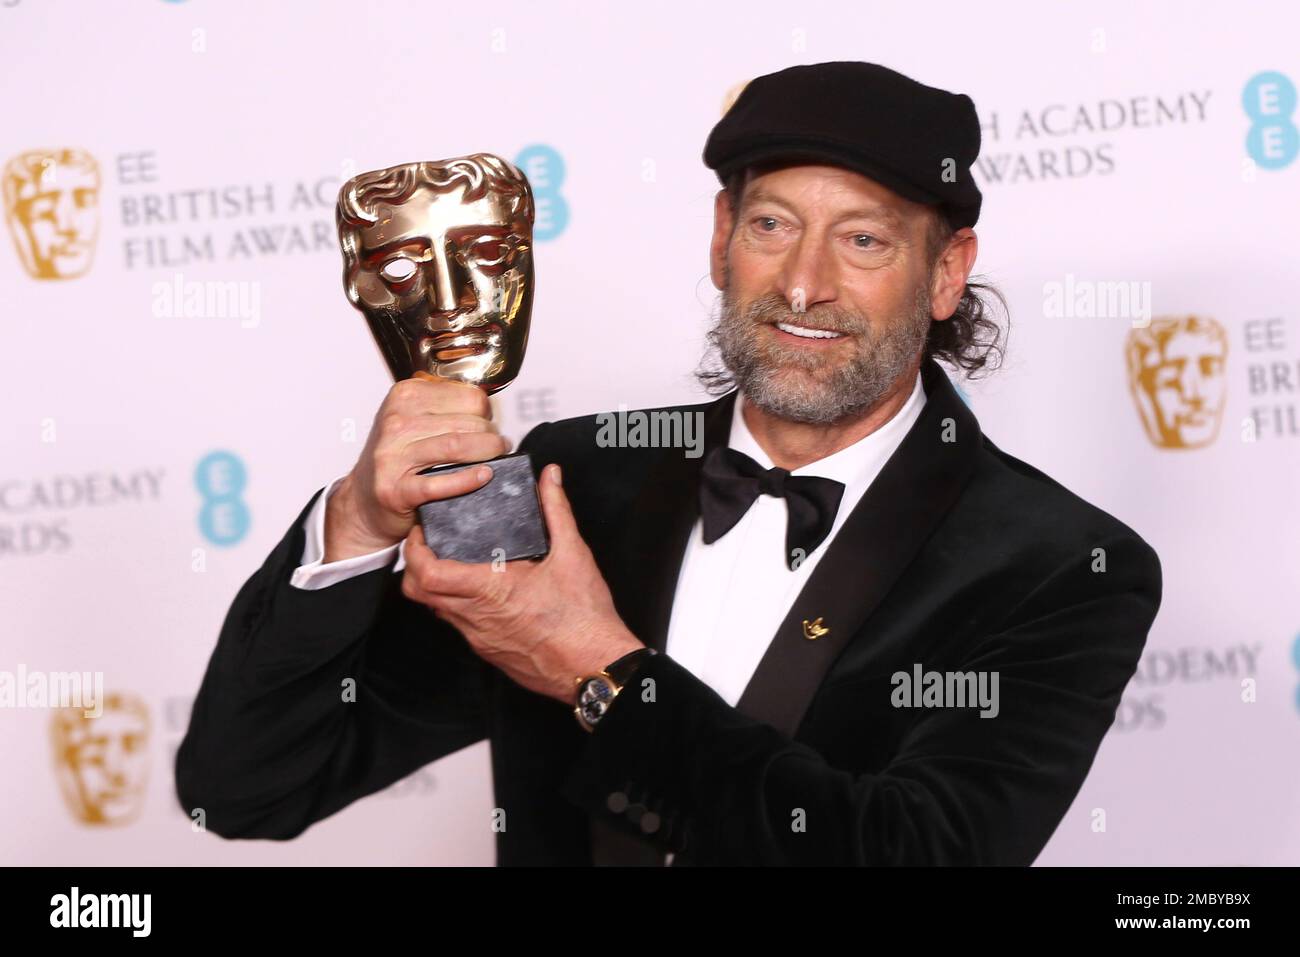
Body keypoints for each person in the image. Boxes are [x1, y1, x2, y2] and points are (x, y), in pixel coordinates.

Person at [175, 61, 1162, 866]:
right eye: (772, 225)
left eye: (862, 240)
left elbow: (907, 856)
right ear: (722, 238)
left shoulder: (1058, 566)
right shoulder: (578, 481)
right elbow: (248, 789)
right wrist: (354, 526)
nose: (805, 285)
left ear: (945, 273)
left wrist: (591, 667)